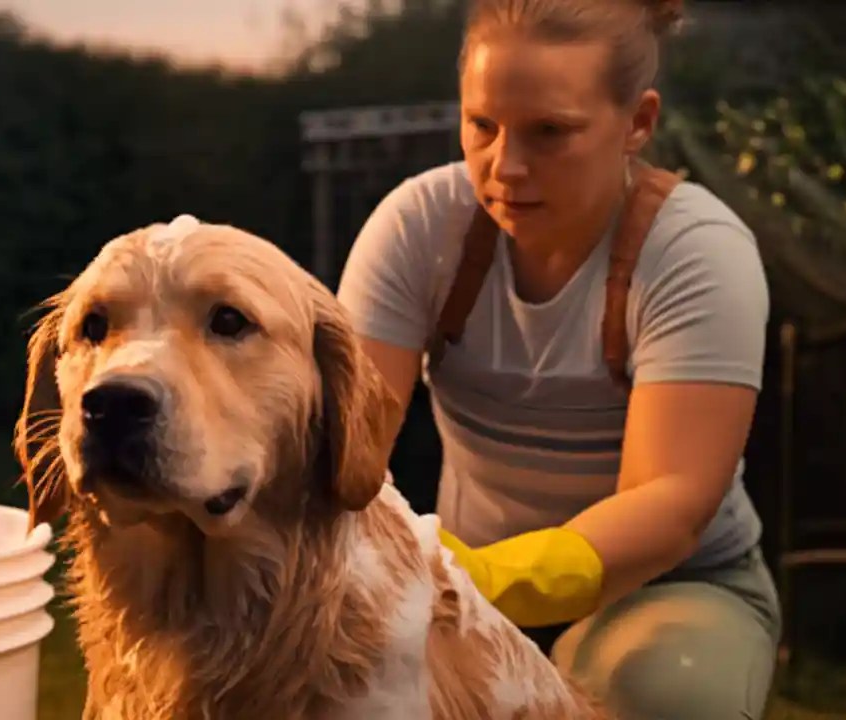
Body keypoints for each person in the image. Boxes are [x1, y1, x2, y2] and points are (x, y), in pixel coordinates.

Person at [335, 0, 782, 717]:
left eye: (549, 133)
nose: (504, 167)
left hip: (669, 588)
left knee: (660, 691)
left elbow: (668, 506)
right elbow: (347, 450)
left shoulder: (698, 252)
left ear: (637, 122)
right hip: (460, 589)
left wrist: (465, 578)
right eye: (482, 126)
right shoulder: (419, 227)